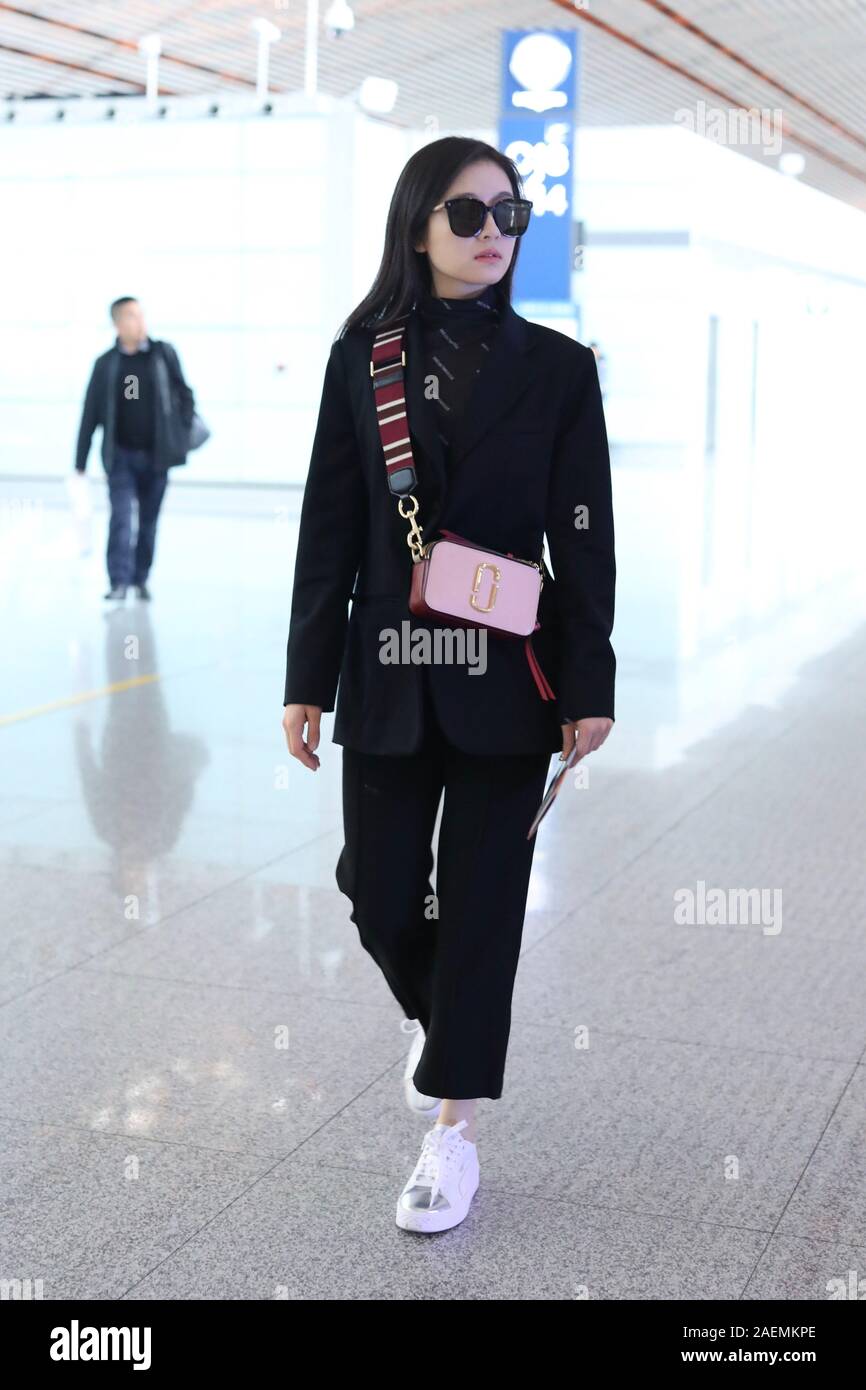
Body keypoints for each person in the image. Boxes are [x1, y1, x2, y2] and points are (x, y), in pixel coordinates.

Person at [281, 136, 616, 1234]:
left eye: (507, 215)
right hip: (386, 668)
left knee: (479, 913)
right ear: (417, 224)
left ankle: (452, 1130)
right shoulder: (360, 356)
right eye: (467, 215)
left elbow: (584, 539)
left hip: (506, 682)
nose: (491, 234)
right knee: (380, 899)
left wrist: (586, 683)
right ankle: (448, 1025)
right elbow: (329, 525)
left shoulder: (561, 371)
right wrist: (304, 679)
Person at [74, 296, 196, 601]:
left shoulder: (163, 354)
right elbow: (90, 413)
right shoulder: (106, 364)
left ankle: (140, 578)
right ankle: (118, 581)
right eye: (131, 316)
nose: (139, 322)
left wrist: (178, 433)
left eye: (141, 315)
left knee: (148, 522)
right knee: (121, 519)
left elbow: (185, 395)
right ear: (117, 323)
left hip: (157, 457)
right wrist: (80, 459)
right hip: (121, 458)